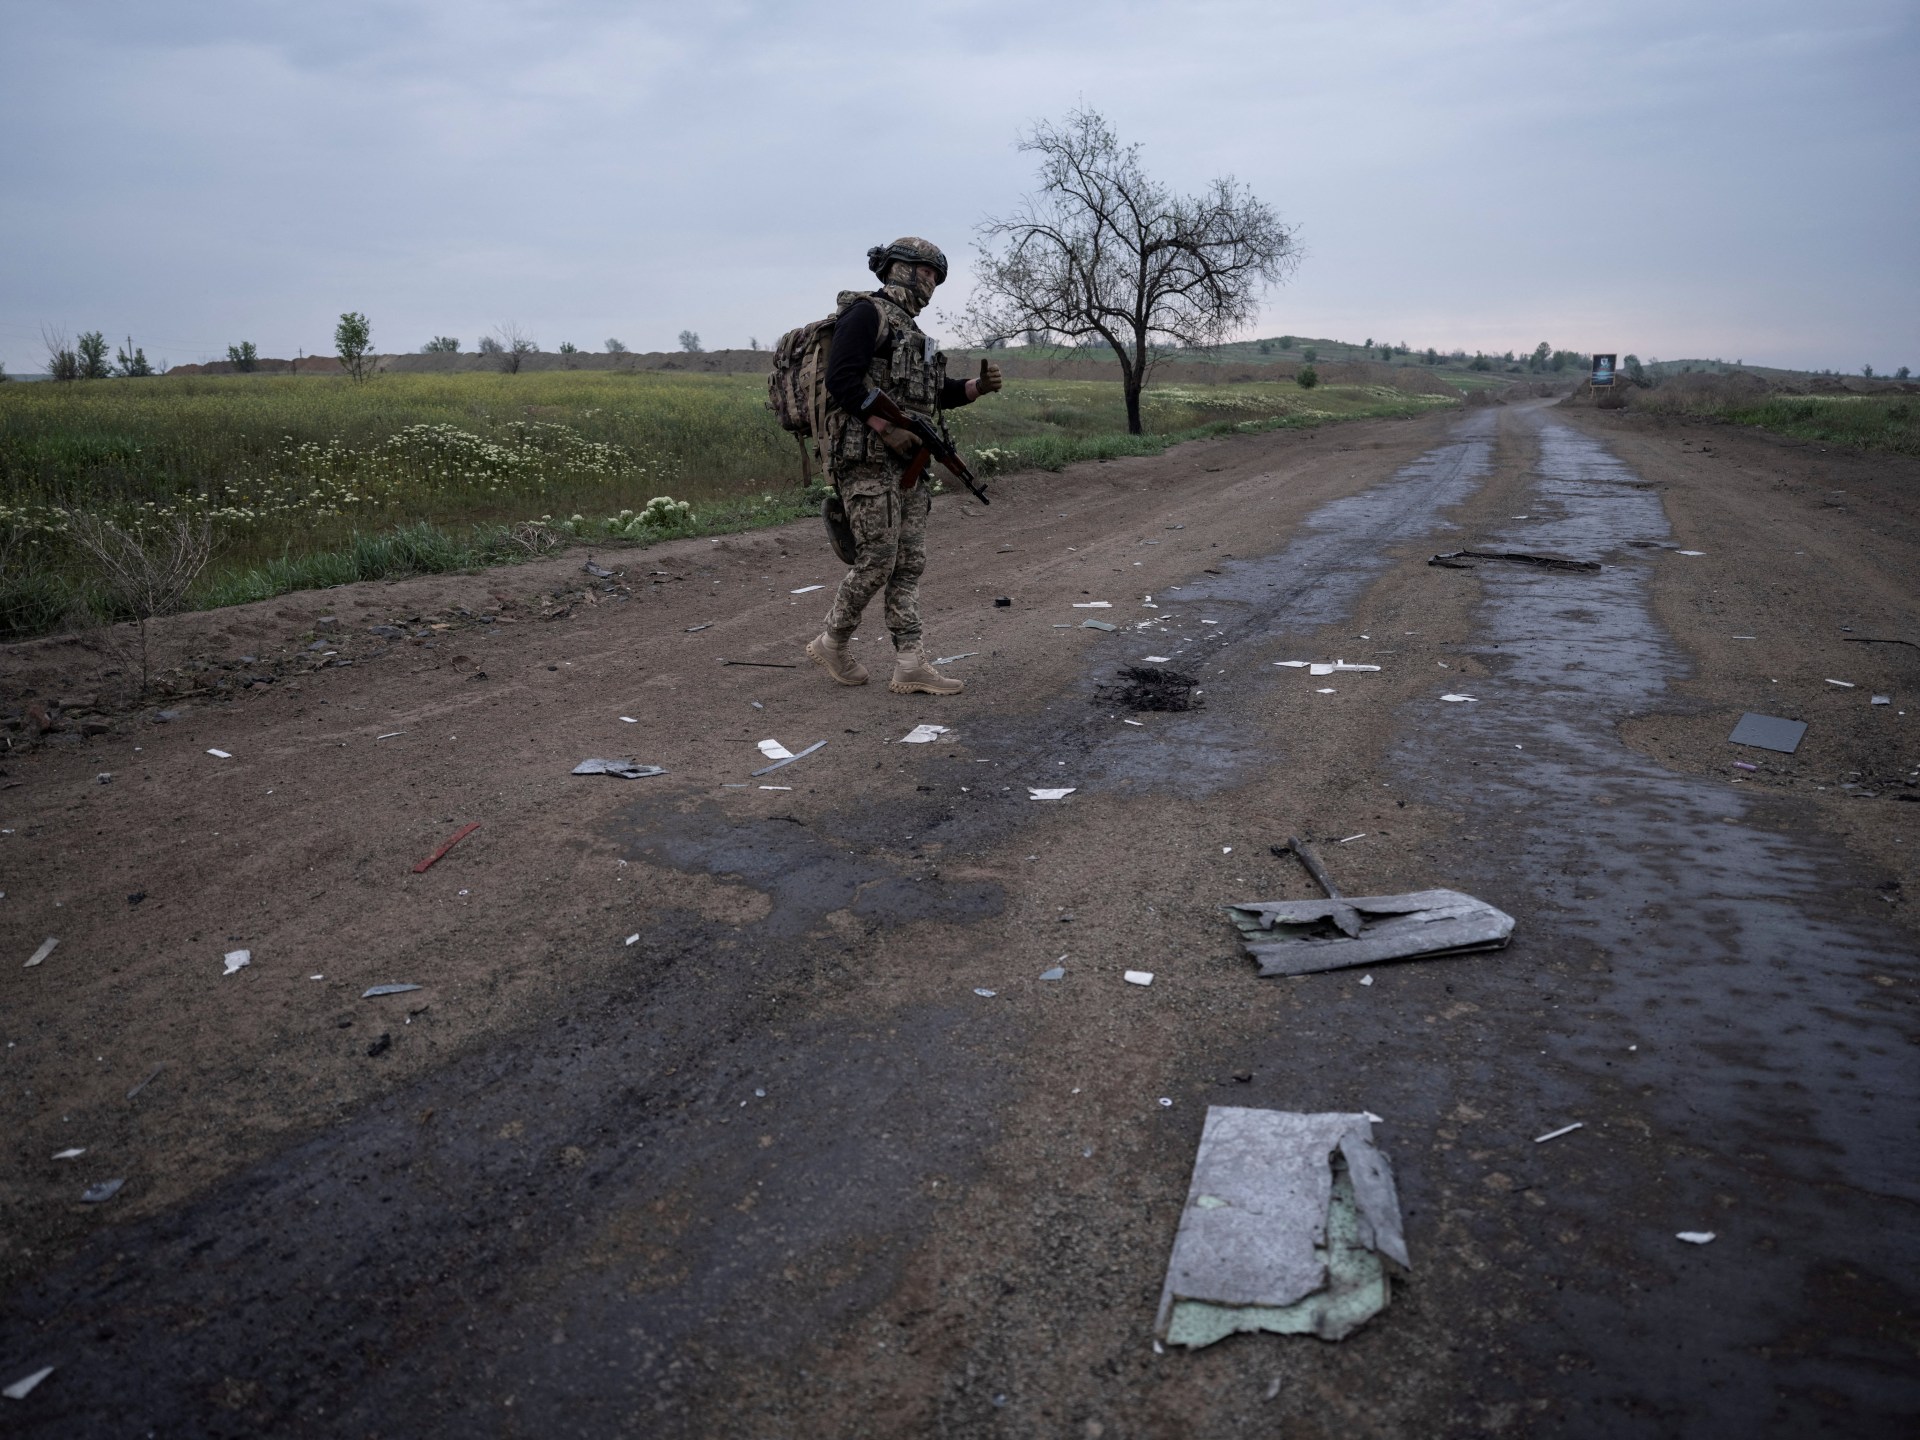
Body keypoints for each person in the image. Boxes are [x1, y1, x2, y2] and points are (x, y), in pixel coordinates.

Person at [805, 237, 1002, 695]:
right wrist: (882, 426)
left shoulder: (914, 334)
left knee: (909, 562)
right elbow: (841, 381)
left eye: (936, 276)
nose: (932, 282)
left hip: (909, 464)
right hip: (867, 460)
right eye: (927, 272)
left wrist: (977, 386)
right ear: (900, 269)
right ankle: (831, 641)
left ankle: (910, 663)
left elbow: (933, 397)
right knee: (877, 558)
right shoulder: (865, 314)